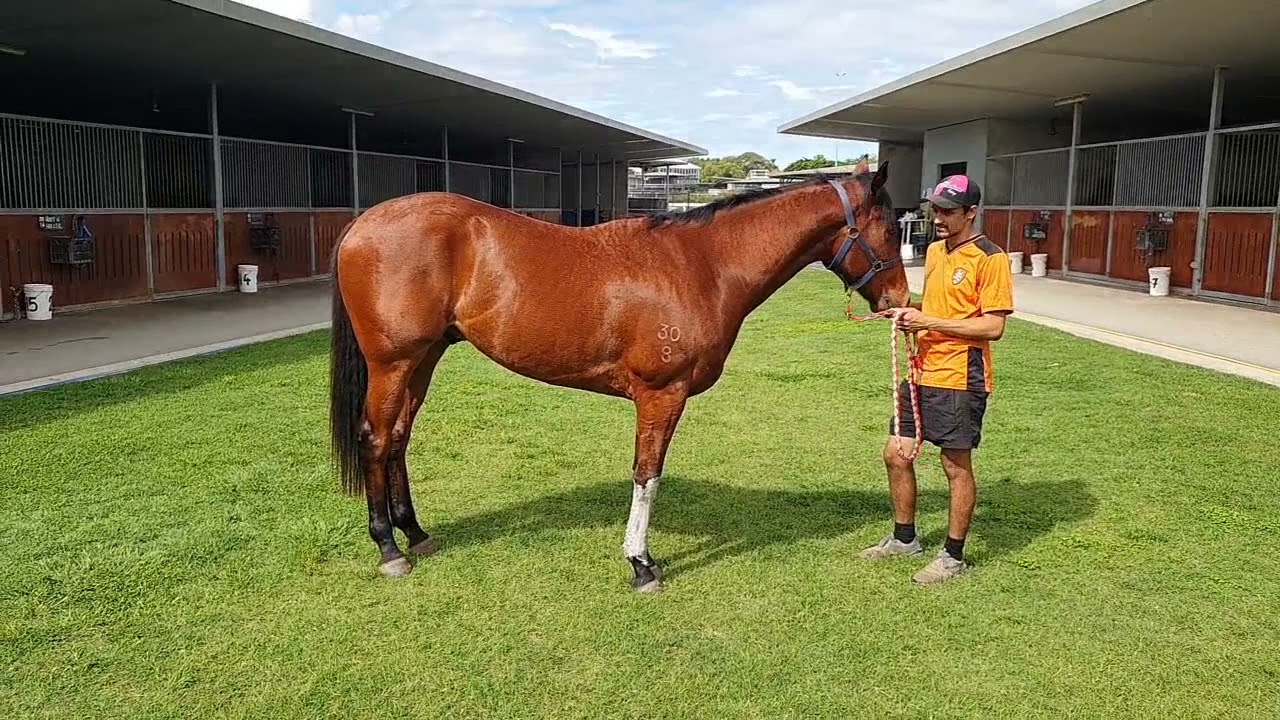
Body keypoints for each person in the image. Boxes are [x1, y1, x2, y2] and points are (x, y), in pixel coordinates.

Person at [859, 174, 1014, 584]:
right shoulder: (934, 252)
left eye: (948, 211)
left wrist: (929, 320)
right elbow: (944, 306)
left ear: (971, 212)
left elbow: (992, 326)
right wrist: (912, 315)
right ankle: (905, 538)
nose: (939, 218)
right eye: (935, 210)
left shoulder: (990, 258)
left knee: (954, 464)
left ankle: (953, 556)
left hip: (960, 376)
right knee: (896, 453)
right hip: (921, 370)